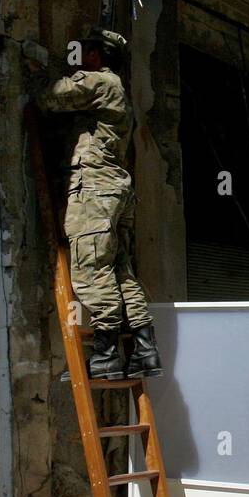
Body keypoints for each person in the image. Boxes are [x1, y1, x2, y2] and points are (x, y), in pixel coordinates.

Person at [34, 28, 162, 380]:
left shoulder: (102, 82)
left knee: (90, 268)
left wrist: (37, 71)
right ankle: (145, 348)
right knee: (119, 270)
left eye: (86, 50)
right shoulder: (114, 90)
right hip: (114, 188)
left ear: (97, 54)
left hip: (94, 188)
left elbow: (51, 97)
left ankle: (105, 355)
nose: (81, 55)